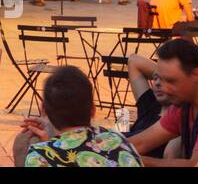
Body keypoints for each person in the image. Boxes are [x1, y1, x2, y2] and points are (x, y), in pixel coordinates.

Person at [14, 66, 143, 167]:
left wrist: (47, 149)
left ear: (43, 110)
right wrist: (50, 146)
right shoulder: (117, 140)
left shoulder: (38, 157)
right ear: (93, 110)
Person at [122, 54, 173, 159]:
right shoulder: (151, 102)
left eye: (168, 80)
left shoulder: (179, 121)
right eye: (156, 78)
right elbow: (134, 60)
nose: (158, 83)